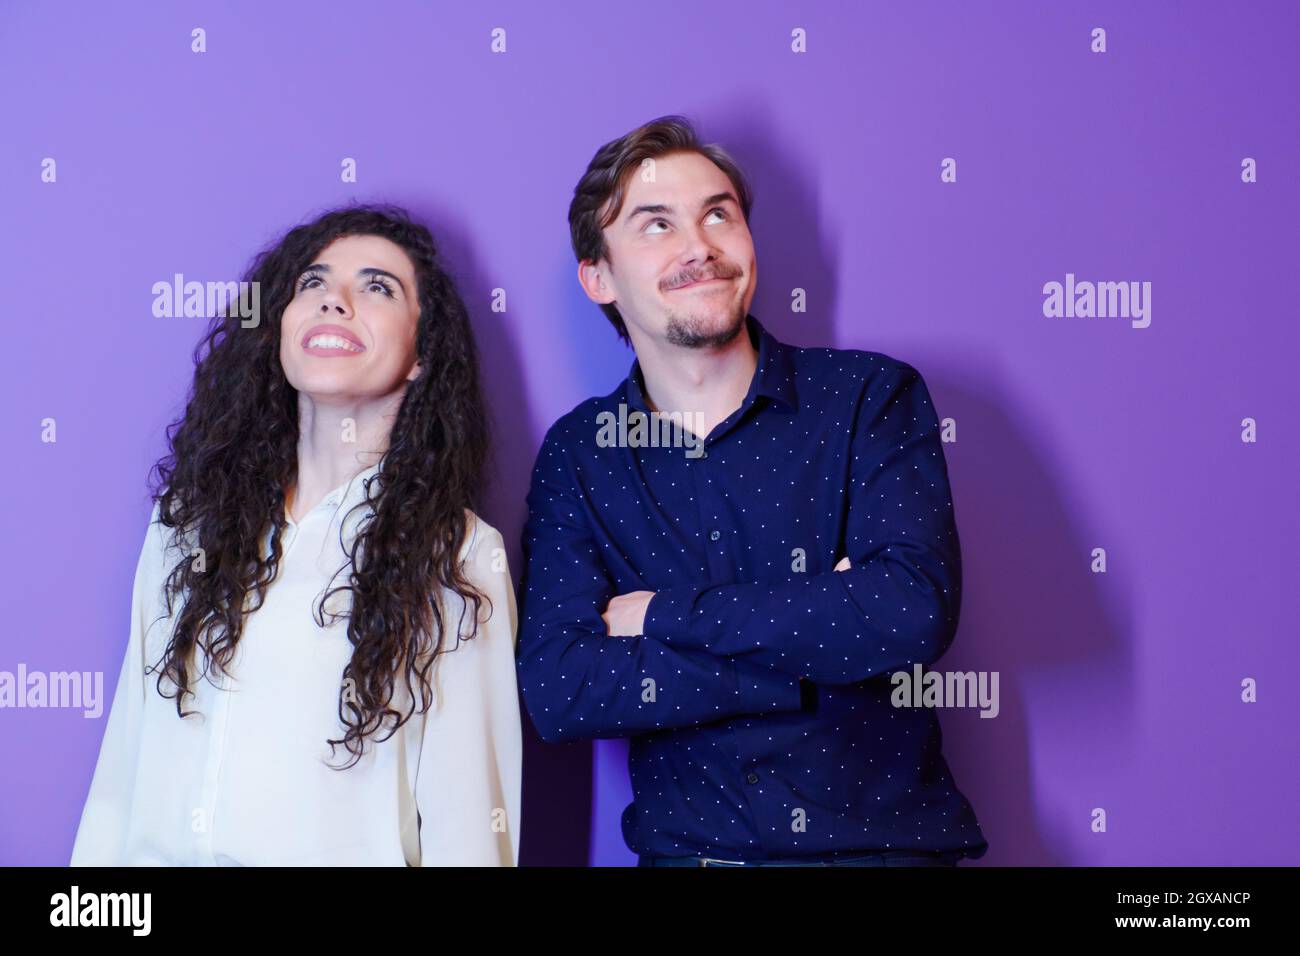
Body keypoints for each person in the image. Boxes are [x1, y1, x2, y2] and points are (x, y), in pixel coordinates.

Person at [516, 116, 987, 866]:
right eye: (656, 224)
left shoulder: (867, 397)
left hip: (885, 853)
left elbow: (908, 612)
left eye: (718, 214)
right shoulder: (581, 455)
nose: (698, 245)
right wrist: (813, 647)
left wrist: (662, 615)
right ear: (598, 276)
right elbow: (563, 689)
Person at [70, 204, 521, 866]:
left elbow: (469, 828)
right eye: (312, 283)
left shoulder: (457, 555)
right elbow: (123, 767)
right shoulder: (187, 521)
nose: (333, 301)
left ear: (424, 355)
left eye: (377, 287)